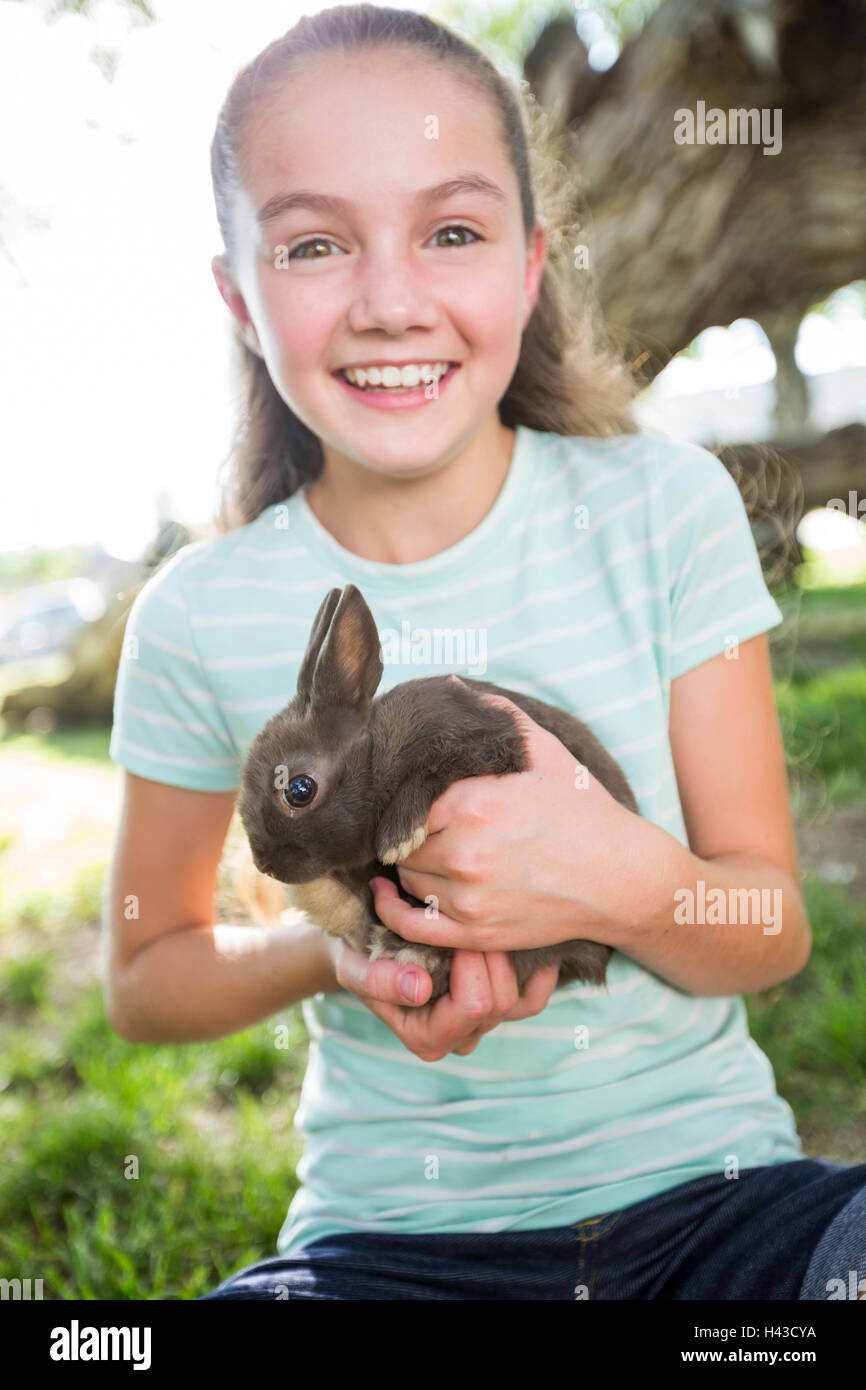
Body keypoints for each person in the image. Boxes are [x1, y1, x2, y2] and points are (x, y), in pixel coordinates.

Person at [104, 4, 866, 1300]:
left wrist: (626, 883)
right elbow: (143, 971)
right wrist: (337, 957)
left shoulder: (661, 505)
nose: (390, 299)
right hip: (385, 1250)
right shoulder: (195, 614)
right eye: (313, 243)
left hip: (718, 1213)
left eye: (450, 232)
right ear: (238, 294)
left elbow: (768, 923)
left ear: (527, 266)